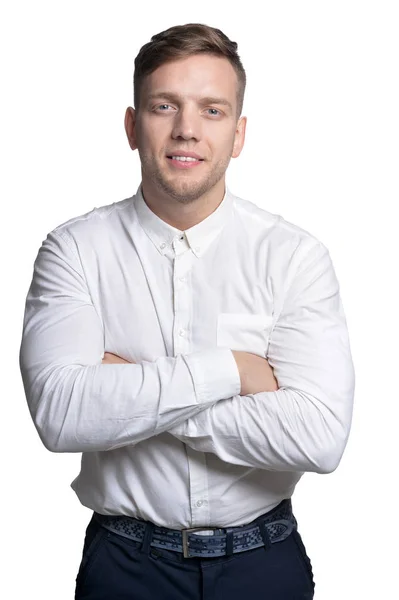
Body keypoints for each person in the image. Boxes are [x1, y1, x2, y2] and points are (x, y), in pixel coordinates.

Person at [19, 22, 355, 600]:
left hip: (264, 563)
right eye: (164, 105)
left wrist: (129, 393)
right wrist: (231, 372)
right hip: (124, 565)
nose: (186, 130)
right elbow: (60, 414)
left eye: (212, 110)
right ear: (132, 125)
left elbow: (320, 437)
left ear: (239, 134)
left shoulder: (294, 257)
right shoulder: (74, 250)